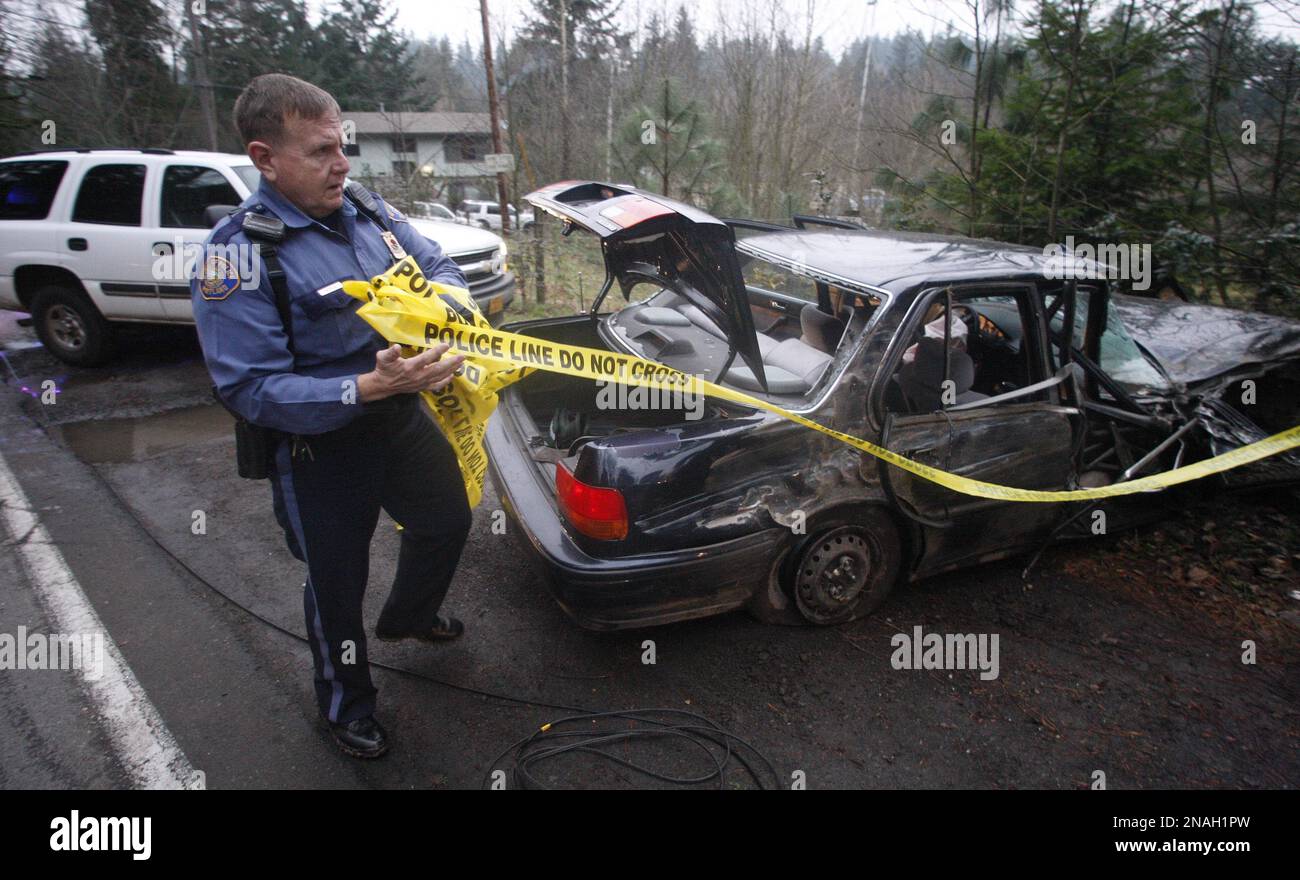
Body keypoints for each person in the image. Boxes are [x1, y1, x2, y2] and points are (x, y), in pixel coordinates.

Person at [190, 73, 471, 759]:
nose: (341, 163)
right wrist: (361, 390)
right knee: (336, 584)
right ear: (265, 158)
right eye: (319, 152)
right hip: (318, 448)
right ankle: (347, 704)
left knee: (448, 518)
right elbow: (249, 389)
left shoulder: (367, 209)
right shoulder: (236, 255)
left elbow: (437, 266)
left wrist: (453, 320)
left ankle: (409, 616)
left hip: (400, 418)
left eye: (340, 145)